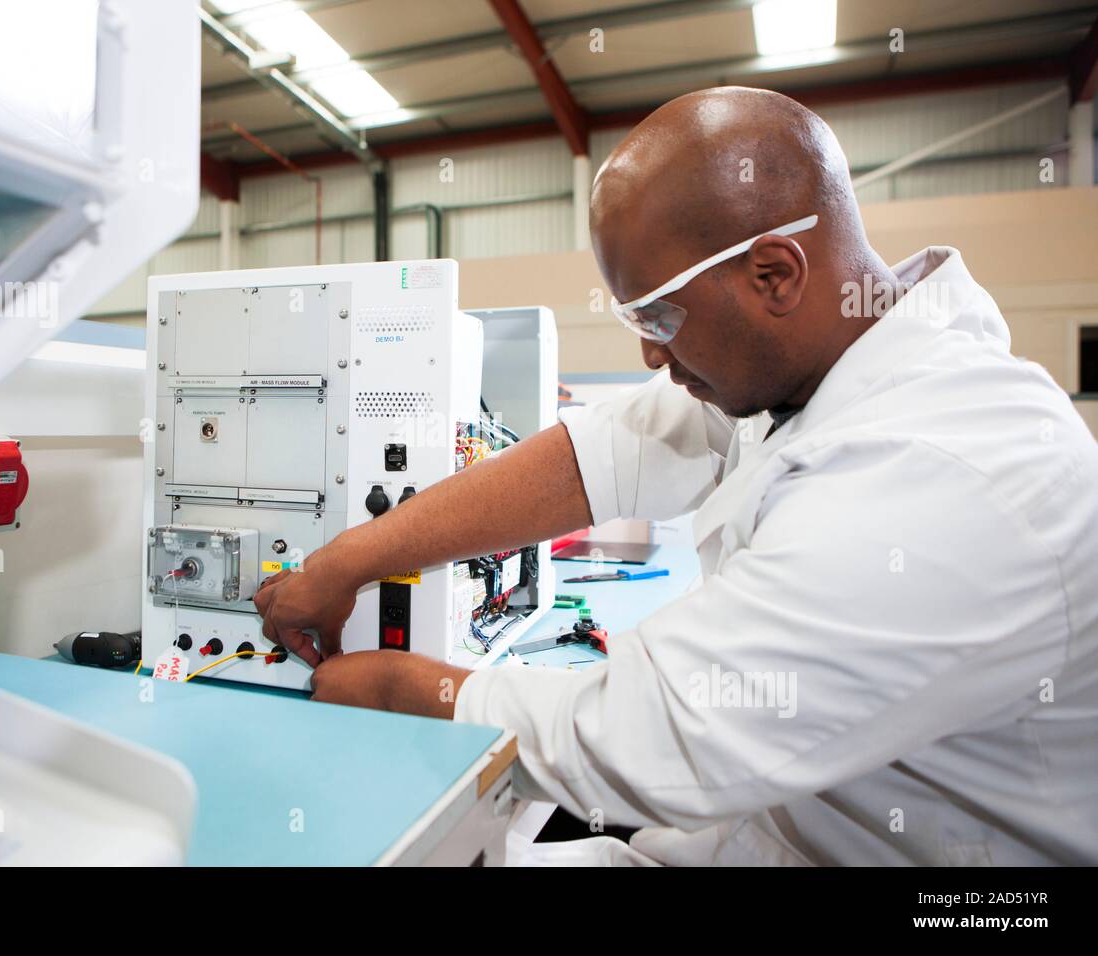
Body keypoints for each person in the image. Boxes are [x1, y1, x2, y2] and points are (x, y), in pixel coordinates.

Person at [254, 87, 1098, 865]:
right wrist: (348, 561)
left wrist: (409, 692)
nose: (650, 354)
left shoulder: (950, 471)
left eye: (659, 316)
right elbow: (602, 452)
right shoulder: (826, 362)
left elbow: (649, 736)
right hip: (781, 829)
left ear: (775, 273)